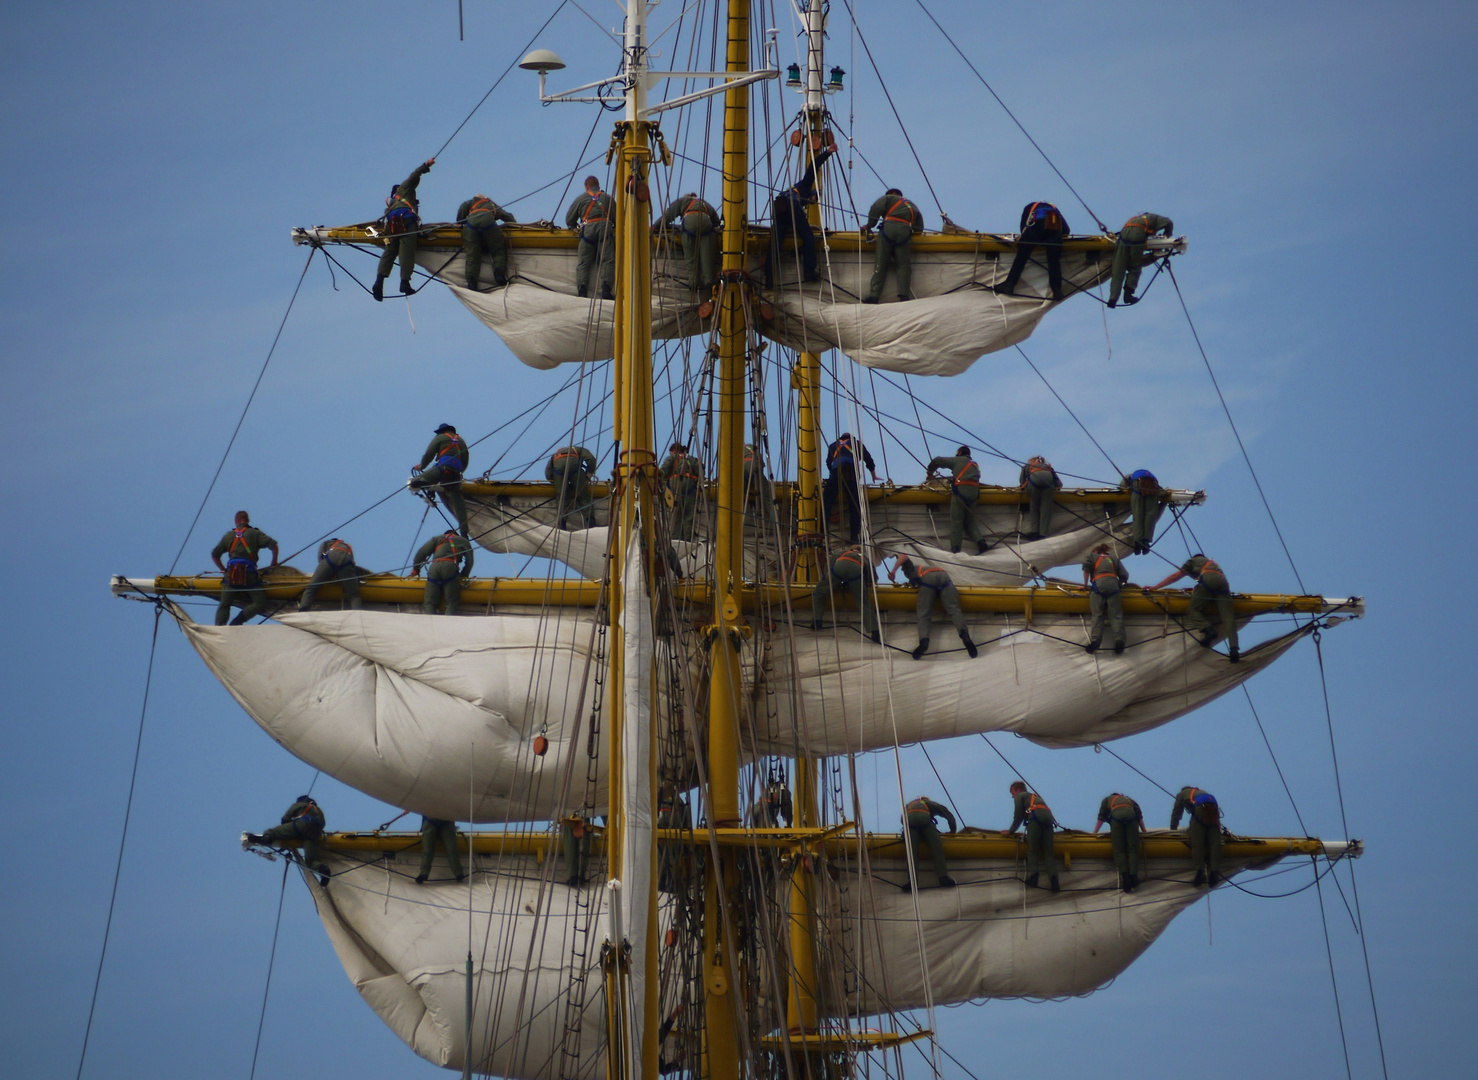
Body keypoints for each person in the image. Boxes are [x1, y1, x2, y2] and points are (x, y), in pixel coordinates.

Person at [1146, 554, 1239, 662]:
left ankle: (1208, 629)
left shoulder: (1192, 561)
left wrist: (1155, 587)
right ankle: (1234, 649)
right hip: (1223, 582)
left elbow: (1175, 577)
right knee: (1228, 617)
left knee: (1193, 610)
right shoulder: (1213, 565)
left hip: (1208, 579)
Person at [765, 145, 835, 288]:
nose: (815, 201)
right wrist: (827, 153)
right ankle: (809, 271)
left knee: (775, 244)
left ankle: (769, 280)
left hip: (778, 207)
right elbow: (813, 167)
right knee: (808, 237)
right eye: (816, 198)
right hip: (791, 205)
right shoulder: (805, 186)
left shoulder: (791, 191)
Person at [892, 554, 977, 660]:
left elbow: (903, 556)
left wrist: (893, 572)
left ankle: (924, 642)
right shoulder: (925, 567)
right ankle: (965, 637)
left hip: (928, 580)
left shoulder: (910, 569)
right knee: (954, 610)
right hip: (944, 576)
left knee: (923, 615)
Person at [373, 158, 434, 301]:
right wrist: (425, 166)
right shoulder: (405, 188)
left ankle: (379, 282)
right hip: (406, 221)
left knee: (390, 251)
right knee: (407, 250)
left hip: (392, 224)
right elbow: (414, 176)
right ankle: (404, 283)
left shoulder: (391, 205)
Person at [211, 511, 280, 626]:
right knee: (259, 603)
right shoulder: (255, 533)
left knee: (225, 604)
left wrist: (223, 569)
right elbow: (274, 546)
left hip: (232, 575)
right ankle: (238, 621)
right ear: (248, 520)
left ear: (236, 521)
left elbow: (215, 555)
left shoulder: (228, 536)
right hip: (249, 574)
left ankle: (220, 627)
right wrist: (273, 563)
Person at [247, 795, 329, 887]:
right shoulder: (319, 811)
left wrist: (287, 832)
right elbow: (323, 823)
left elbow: (285, 819)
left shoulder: (299, 805)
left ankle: (265, 838)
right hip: (315, 832)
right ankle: (322, 868)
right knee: (311, 861)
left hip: (302, 825)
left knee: (274, 832)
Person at [996, 200, 1069, 301]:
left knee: (1021, 257)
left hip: (1036, 227)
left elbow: (1024, 227)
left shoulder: (1030, 207)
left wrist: (1029, 241)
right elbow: (1066, 230)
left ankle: (1009, 285)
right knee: (1054, 262)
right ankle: (1057, 291)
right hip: (1053, 231)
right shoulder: (1054, 209)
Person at [862, 188, 925, 303]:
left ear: (890, 194)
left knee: (880, 264)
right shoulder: (912, 205)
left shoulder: (888, 198)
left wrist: (869, 226)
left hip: (888, 229)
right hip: (905, 233)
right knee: (903, 266)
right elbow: (919, 228)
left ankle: (874, 297)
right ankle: (904, 297)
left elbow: (875, 209)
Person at [409, 423, 470, 537]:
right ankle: (464, 530)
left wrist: (421, 466)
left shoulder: (441, 438)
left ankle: (429, 487)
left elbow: (429, 454)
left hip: (443, 468)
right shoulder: (461, 441)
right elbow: (465, 460)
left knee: (417, 480)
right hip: (456, 473)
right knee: (458, 503)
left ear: (441, 432)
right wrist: (459, 472)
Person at [925, 446, 988, 554]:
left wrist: (930, 473)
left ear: (959, 452)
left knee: (956, 521)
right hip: (974, 495)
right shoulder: (975, 465)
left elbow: (937, 461)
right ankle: (981, 543)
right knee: (970, 521)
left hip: (960, 493)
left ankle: (956, 549)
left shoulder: (957, 460)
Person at [809, 544, 879, 641]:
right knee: (863, 602)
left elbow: (828, 567)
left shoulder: (841, 553)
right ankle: (874, 631)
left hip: (840, 566)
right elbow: (871, 576)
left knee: (819, 592)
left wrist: (834, 584)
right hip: (856, 571)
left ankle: (817, 621)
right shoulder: (864, 557)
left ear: (850, 549)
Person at [1002, 780, 1059, 891]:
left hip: (1035, 817)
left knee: (1032, 850)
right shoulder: (1035, 797)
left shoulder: (1020, 796)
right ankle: (1054, 882)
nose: (1013, 797)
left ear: (1018, 790)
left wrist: (1010, 831)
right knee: (1049, 852)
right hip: (1048, 820)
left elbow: (1018, 817)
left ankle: (1034, 877)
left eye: (1012, 793)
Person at [1108, 212, 1174, 308]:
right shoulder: (1153, 218)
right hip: (1137, 234)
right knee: (1135, 268)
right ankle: (1128, 295)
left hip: (1123, 235)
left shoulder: (1135, 219)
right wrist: (1167, 235)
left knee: (1118, 269)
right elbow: (1169, 222)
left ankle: (1112, 300)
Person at [658, 193, 720, 293]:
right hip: (706, 224)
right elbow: (716, 221)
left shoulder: (682, 201)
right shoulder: (704, 203)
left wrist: (656, 226)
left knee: (690, 259)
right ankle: (709, 284)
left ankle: (693, 284)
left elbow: (667, 216)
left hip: (689, 224)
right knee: (707, 258)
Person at [566, 176, 615, 300]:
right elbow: (618, 218)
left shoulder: (581, 199)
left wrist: (573, 227)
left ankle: (582, 291)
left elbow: (569, 220)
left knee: (584, 263)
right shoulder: (607, 198)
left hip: (587, 230)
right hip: (604, 229)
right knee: (607, 261)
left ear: (586, 186)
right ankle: (606, 290)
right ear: (598, 186)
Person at [824, 432, 878, 542]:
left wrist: (833, 476)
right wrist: (873, 475)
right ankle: (854, 536)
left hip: (837, 471)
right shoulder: (857, 444)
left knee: (827, 500)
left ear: (841, 438)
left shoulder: (833, 445)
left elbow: (828, 462)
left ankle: (822, 530)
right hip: (851, 472)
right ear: (851, 438)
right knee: (855, 504)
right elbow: (868, 459)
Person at [456, 193, 516, 291]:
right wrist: (514, 224)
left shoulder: (468, 203)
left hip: (471, 226)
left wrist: (460, 224)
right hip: (488, 223)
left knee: (472, 255)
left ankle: (472, 282)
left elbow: (460, 218)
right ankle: (499, 275)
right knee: (498, 249)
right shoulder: (490, 204)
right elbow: (506, 216)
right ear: (485, 198)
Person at [412, 529, 474, 615]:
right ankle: (446, 624)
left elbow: (421, 553)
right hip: (450, 567)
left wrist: (415, 568)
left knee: (429, 603)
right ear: (457, 535)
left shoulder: (437, 539)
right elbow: (470, 562)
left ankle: (430, 623)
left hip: (434, 568)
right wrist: (463, 576)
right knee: (452, 602)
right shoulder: (463, 541)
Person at [1093, 792, 1147, 892]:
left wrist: (1094, 833)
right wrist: (1145, 832)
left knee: (1119, 850)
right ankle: (1133, 876)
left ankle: (1125, 877)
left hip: (1116, 818)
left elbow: (1101, 818)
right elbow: (1139, 817)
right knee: (1133, 849)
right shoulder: (1129, 799)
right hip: (1131, 817)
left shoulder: (1107, 800)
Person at [1170, 786, 1223, 886]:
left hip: (1200, 808)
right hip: (1214, 808)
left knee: (1197, 842)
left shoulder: (1182, 794)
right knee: (1214, 843)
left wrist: (1173, 829)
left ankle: (1200, 872)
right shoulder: (1202, 792)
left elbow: (1177, 811)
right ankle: (1214, 873)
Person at [1082, 543, 1129, 655]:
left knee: (1097, 614)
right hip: (1114, 587)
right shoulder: (1114, 558)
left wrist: (1084, 585)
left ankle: (1095, 642)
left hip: (1098, 586)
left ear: (1096, 551)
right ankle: (1119, 641)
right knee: (1116, 615)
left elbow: (1086, 569)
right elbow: (1125, 575)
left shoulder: (1091, 556)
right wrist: (1119, 584)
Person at [901, 796, 957, 890]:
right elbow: (947, 813)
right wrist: (952, 830)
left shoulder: (909, 805)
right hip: (925, 821)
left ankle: (912, 881)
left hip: (910, 823)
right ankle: (943, 877)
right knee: (936, 848)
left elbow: (902, 819)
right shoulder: (929, 804)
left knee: (911, 851)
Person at [297, 537, 362, 612]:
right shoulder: (348, 546)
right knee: (354, 595)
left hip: (330, 559)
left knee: (311, 588)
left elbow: (321, 559)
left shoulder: (325, 543)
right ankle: (357, 613)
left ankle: (303, 609)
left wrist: (327, 574)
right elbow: (353, 564)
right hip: (347, 562)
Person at [660, 442, 703, 542]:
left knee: (676, 516)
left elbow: (663, 471)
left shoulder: (673, 458)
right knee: (688, 517)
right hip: (691, 489)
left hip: (676, 488)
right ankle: (687, 541)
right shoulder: (692, 459)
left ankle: (676, 541)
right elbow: (700, 473)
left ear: (674, 451)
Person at [546, 446, 598, 530]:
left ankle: (561, 525)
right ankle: (591, 523)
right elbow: (591, 459)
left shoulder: (555, 455)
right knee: (583, 497)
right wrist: (589, 473)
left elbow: (548, 472)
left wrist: (556, 482)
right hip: (575, 469)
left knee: (562, 498)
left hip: (558, 472)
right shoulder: (578, 450)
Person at [1017, 455, 1062, 541]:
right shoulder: (1048, 467)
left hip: (1034, 482)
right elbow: (1059, 484)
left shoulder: (1027, 466)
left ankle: (1034, 533)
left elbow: (1022, 481)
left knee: (1034, 507)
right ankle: (1043, 534)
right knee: (1046, 509)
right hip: (1048, 483)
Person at [1122, 469, 1164, 555]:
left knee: (1138, 515)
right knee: (1150, 516)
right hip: (1153, 485)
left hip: (1138, 484)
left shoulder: (1129, 476)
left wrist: (1125, 490)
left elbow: (1122, 487)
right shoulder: (1148, 475)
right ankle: (1146, 542)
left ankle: (1138, 543)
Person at [415, 817, 464, 885]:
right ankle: (424, 873)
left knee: (451, 849)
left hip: (446, 820)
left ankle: (458, 873)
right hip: (431, 820)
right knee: (427, 849)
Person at [561, 813, 593, 887]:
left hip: (576, 816)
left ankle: (576, 875)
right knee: (572, 846)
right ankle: (576, 875)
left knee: (578, 845)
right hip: (571, 817)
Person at [742, 443, 774, 512]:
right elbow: (761, 465)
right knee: (768, 495)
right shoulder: (753, 448)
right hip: (754, 467)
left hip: (742, 469)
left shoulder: (737, 450)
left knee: (738, 494)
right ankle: (774, 518)